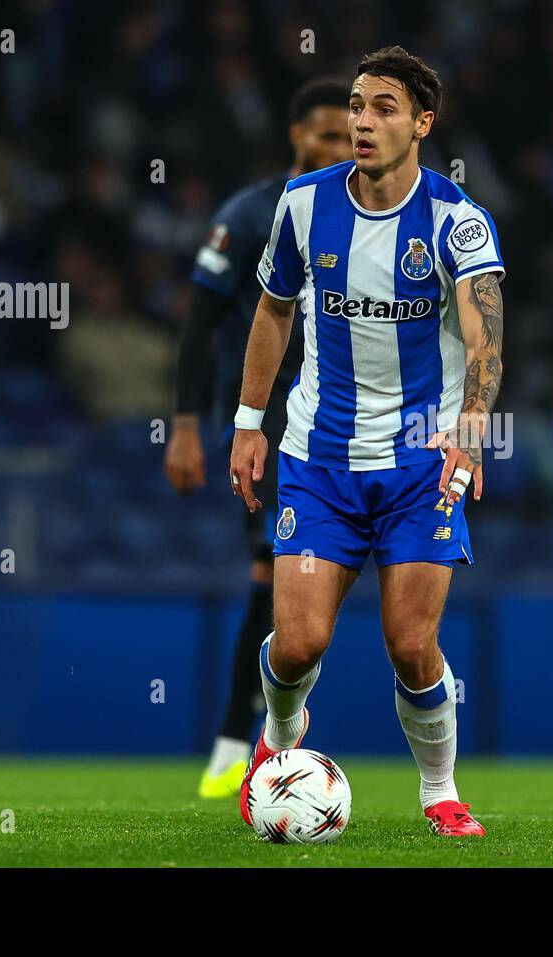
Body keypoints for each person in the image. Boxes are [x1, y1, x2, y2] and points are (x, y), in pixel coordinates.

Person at [229, 46, 504, 836]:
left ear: (422, 123)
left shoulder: (457, 221)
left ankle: (440, 792)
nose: (361, 120)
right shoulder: (304, 204)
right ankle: (280, 741)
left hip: (422, 463)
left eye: (384, 107)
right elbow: (274, 309)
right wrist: (250, 423)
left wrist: (472, 430)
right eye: (356, 104)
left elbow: (486, 335)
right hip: (318, 458)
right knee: (297, 645)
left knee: (413, 647)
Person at [164, 77, 352, 798]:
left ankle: (256, 732)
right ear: (296, 136)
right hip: (272, 416)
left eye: (349, 134)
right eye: (327, 135)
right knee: (273, 570)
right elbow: (200, 326)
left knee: (312, 580)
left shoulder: (369, 211)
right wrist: (185, 423)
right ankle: (242, 736)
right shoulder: (249, 214)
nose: (341, 147)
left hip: (352, 415)